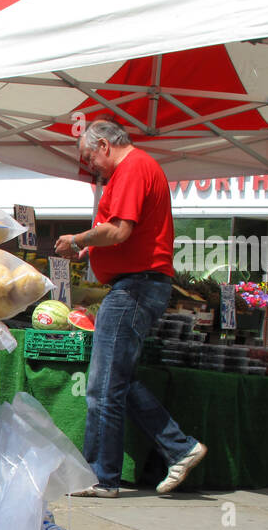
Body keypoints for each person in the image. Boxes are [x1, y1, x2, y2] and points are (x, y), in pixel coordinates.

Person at [53, 119, 206, 497]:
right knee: (115, 382)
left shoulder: (133, 168)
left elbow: (120, 230)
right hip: (138, 285)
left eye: (91, 159)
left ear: (104, 145)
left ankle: (101, 477)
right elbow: (124, 233)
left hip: (135, 287)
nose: (93, 168)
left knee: (102, 388)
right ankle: (179, 447)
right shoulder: (138, 169)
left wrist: (78, 239)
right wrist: (93, 246)